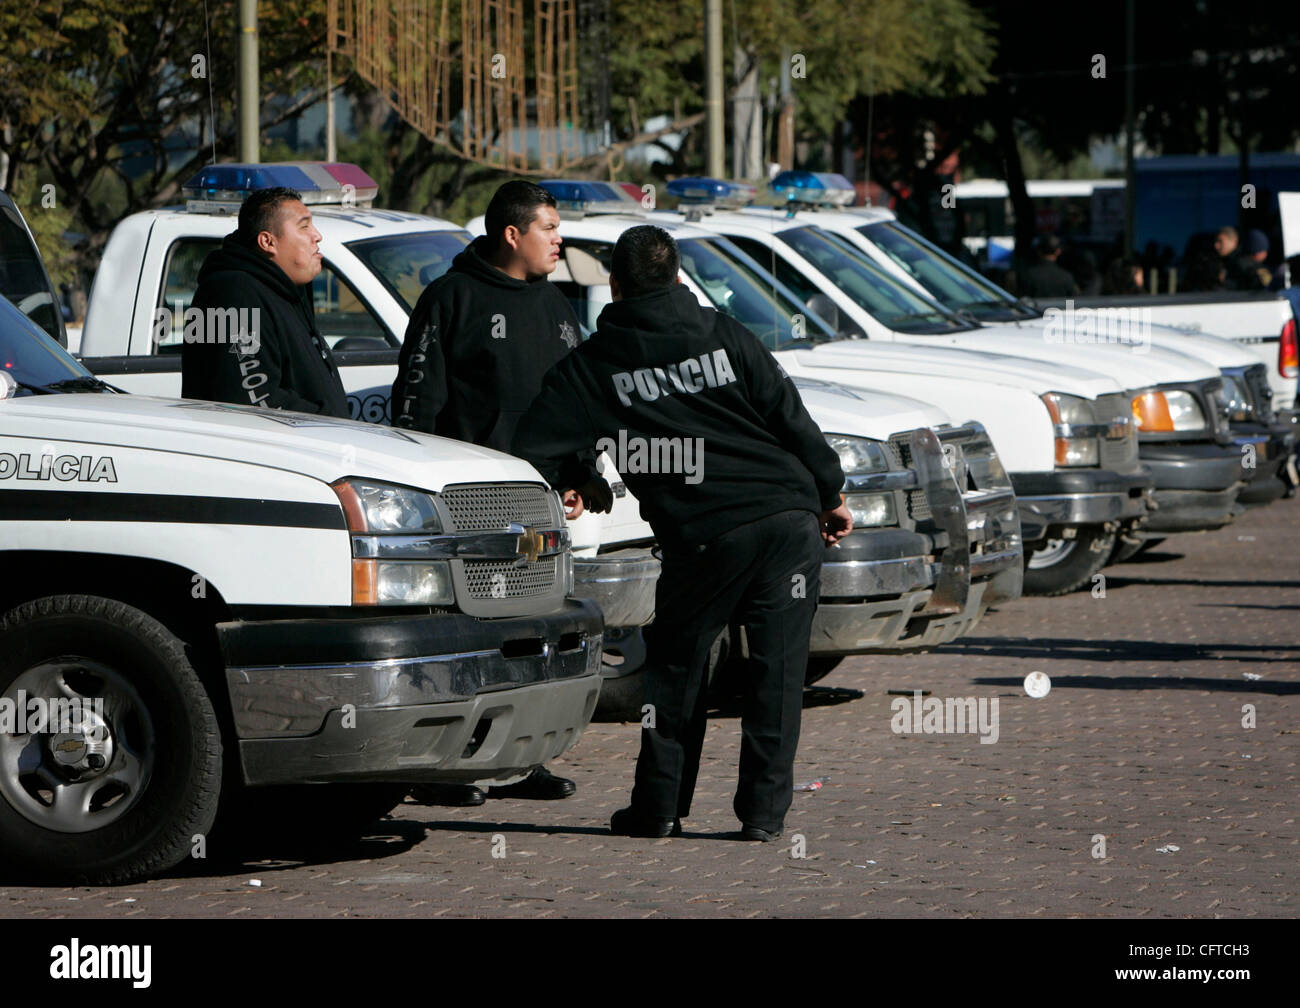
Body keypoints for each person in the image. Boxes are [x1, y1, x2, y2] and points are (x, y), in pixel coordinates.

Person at [513, 225, 853, 841]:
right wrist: (829, 495)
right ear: (677, 278)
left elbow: (533, 444)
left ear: (613, 286)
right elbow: (789, 413)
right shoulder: (725, 332)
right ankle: (764, 817)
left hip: (706, 537)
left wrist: (578, 477)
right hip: (787, 518)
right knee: (776, 675)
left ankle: (659, 809)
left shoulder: (594, 365)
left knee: (675, 673)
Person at [391, 179, 595, 807]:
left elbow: (577, 398)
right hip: (466, 508)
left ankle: (523, 762)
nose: (560, 240)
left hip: (539, 510)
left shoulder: (556, 306)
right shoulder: (451, 299)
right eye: (549, 228)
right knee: (459, 637)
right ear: (513, 234)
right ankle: (436, 769)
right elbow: (416, 404)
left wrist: (581, 475)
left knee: (534, 636)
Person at [182, 186, 348, 418]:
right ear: (268, 242)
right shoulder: (231, 295)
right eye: (304, 226)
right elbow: (251, 403)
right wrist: (328, 421)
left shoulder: (284, 289)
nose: (317, 235)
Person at [1020, 234, 1079, 298]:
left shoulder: (1028, 276)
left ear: (1039, 251)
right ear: (1058, 251)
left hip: (1036, 308)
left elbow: (1023, 303)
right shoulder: (1066, 277)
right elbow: (1071, 304)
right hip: (1061, 308)